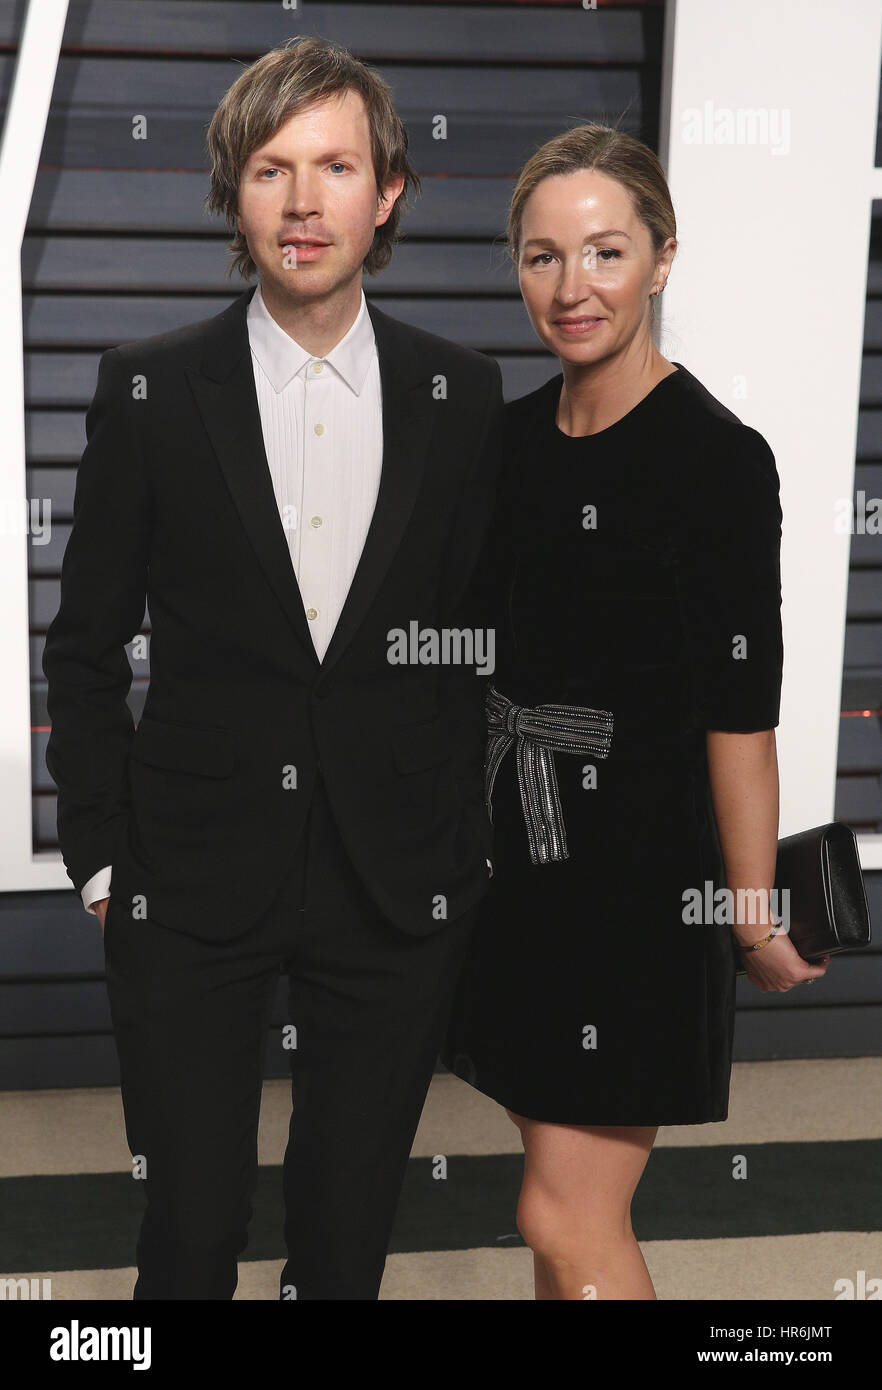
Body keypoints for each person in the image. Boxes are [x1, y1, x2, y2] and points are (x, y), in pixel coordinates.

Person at [42, 36, 503, 1300]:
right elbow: (82, 646)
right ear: (232, 194)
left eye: (337, 165)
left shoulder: (463, 395)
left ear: (388, 191)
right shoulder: (147, 390)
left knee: (344, 1250)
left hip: (394, 880)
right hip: (186, 873)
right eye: (272, 168)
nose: (304, 202)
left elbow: (476, 646)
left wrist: (463, 843)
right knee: (188, 1243)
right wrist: (99, 849)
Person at [441, 123, 829, 1301]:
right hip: (520, 877)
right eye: (544, 256)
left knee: (561, 1209)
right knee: (565, 1208)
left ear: (662, 258)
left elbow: (739, 709)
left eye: (606, 252)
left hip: (644, 893)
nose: (573, 287)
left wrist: (753, 911)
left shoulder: (716, 460)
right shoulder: (502, 444)